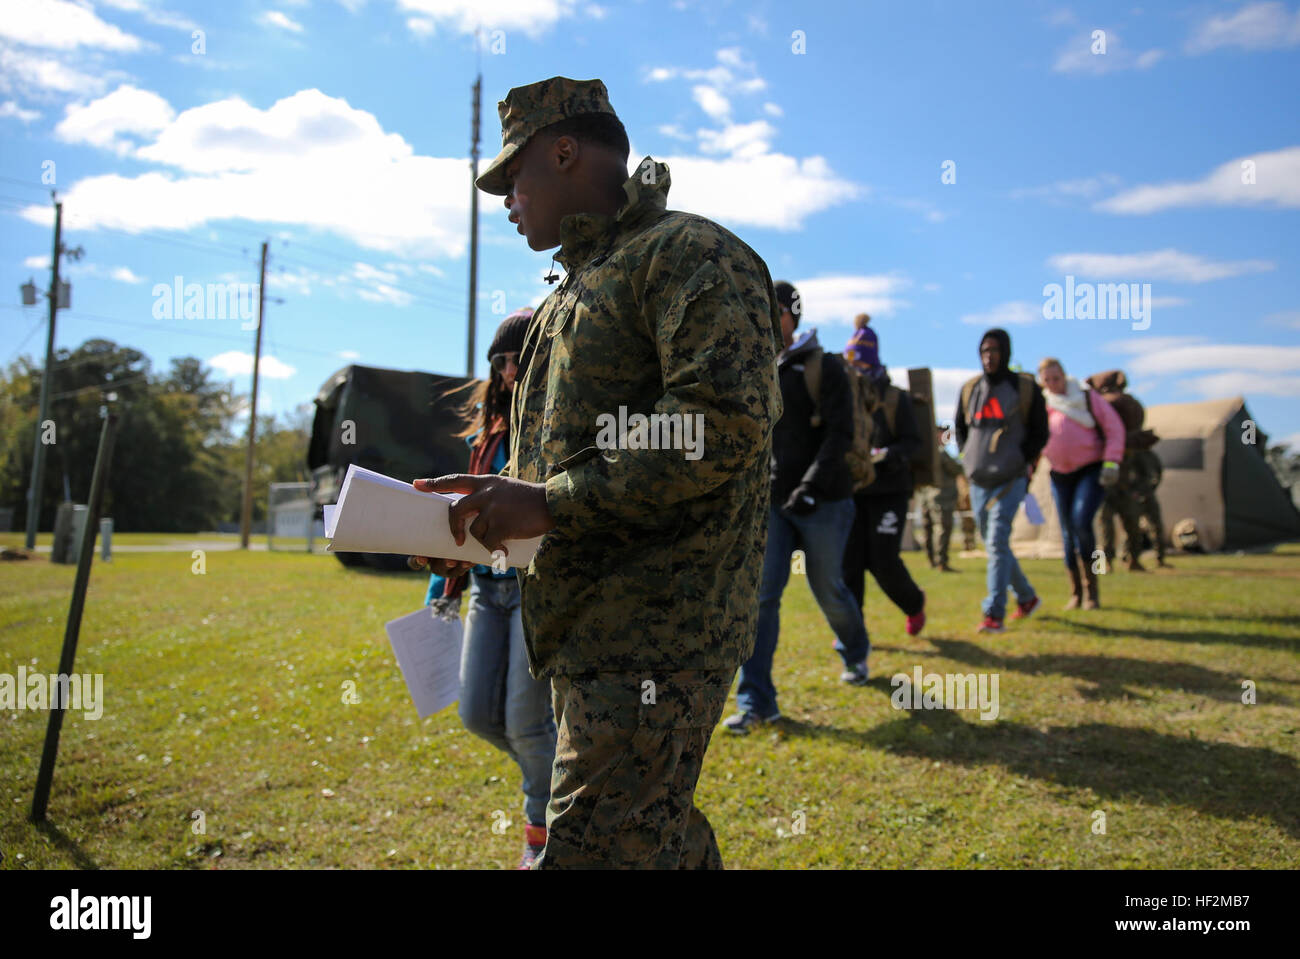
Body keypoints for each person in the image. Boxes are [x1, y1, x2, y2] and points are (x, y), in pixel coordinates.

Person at [413, 77, 782, 869]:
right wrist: (479, 528)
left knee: (597, 849)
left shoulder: (688, 253)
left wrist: (546, 501)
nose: (508, 199)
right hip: (588, 627)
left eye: (513, 177)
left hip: (659, 630)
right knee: (651, 838)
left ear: (565, 150)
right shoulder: (569, 292)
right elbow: (549, 464)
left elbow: (722, 420)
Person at [419, 309, 556, 870]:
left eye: (519, 356)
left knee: (527, 722)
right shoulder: (488, 436)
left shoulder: (557, 423)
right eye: (500, 359)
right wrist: (438, 590)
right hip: (483, 589)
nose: (509, 369)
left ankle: (541, 835)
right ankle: (564, 786)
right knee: (477, 714)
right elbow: (463, 518)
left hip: (534, 591)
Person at [725, 283, 871, 735]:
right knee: (761, 598)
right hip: (772, 503)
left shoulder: (825, 367)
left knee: (828, 588)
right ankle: (756, 702)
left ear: (791, 315)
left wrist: (810, 486)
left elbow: (840, 433)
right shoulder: (757, 369)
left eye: (772, 312)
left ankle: (855, 650)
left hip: (824, 499)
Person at [954, 328, 1048, 633]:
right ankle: (1027, 597)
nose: (988, 356)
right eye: (983, 351)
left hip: (1011, 478)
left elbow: (1040, 431)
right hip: (979, 479)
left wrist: (1021, 460)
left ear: (1005, 352)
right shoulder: (971, 389)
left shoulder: (1024, 388)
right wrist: (970, 460)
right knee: (995, 544)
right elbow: (960, 429)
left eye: (993, 350)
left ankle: (994, 613)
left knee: (996, 541)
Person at [840, 320, 927, 635]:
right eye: (852, 363)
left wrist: (888, 454)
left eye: (861, 363)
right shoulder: (845, 396)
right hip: (854, 491)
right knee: (849, 564)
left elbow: (912, 442)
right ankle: (854, 633)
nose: (857, 370)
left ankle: (914, 603)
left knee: (883, 562)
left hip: (890, 490)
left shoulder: (894, 398)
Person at [1036, 357, 1125, 609]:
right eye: (1047, 380)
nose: (1053, 384)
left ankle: (1091, 590)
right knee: (1067, 532)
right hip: (1059, 474)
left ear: (1064, 375)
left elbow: (1114, 428)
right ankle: (1075, 592)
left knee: (1081, 521)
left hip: (1091, 469)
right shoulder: (1044, 405)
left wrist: (1111, 462)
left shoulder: (1085, 397)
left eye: (1057, 378)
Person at [1086, 370, 1168, 570]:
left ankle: (1126, 560)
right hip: (1112, 478)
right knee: (1118, 522)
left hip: (1117, 478)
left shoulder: (1105, 405)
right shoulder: (1121, 405)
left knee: (1117, 522)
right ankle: (1118, 561)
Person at [922, 449, 963, 572]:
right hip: (942, 496)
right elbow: (957, 470)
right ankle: (941, 563)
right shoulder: (941, 453)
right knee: (943, 529)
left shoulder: (926, 451)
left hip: (926, 494)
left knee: (928, 529)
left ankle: (932, 560)